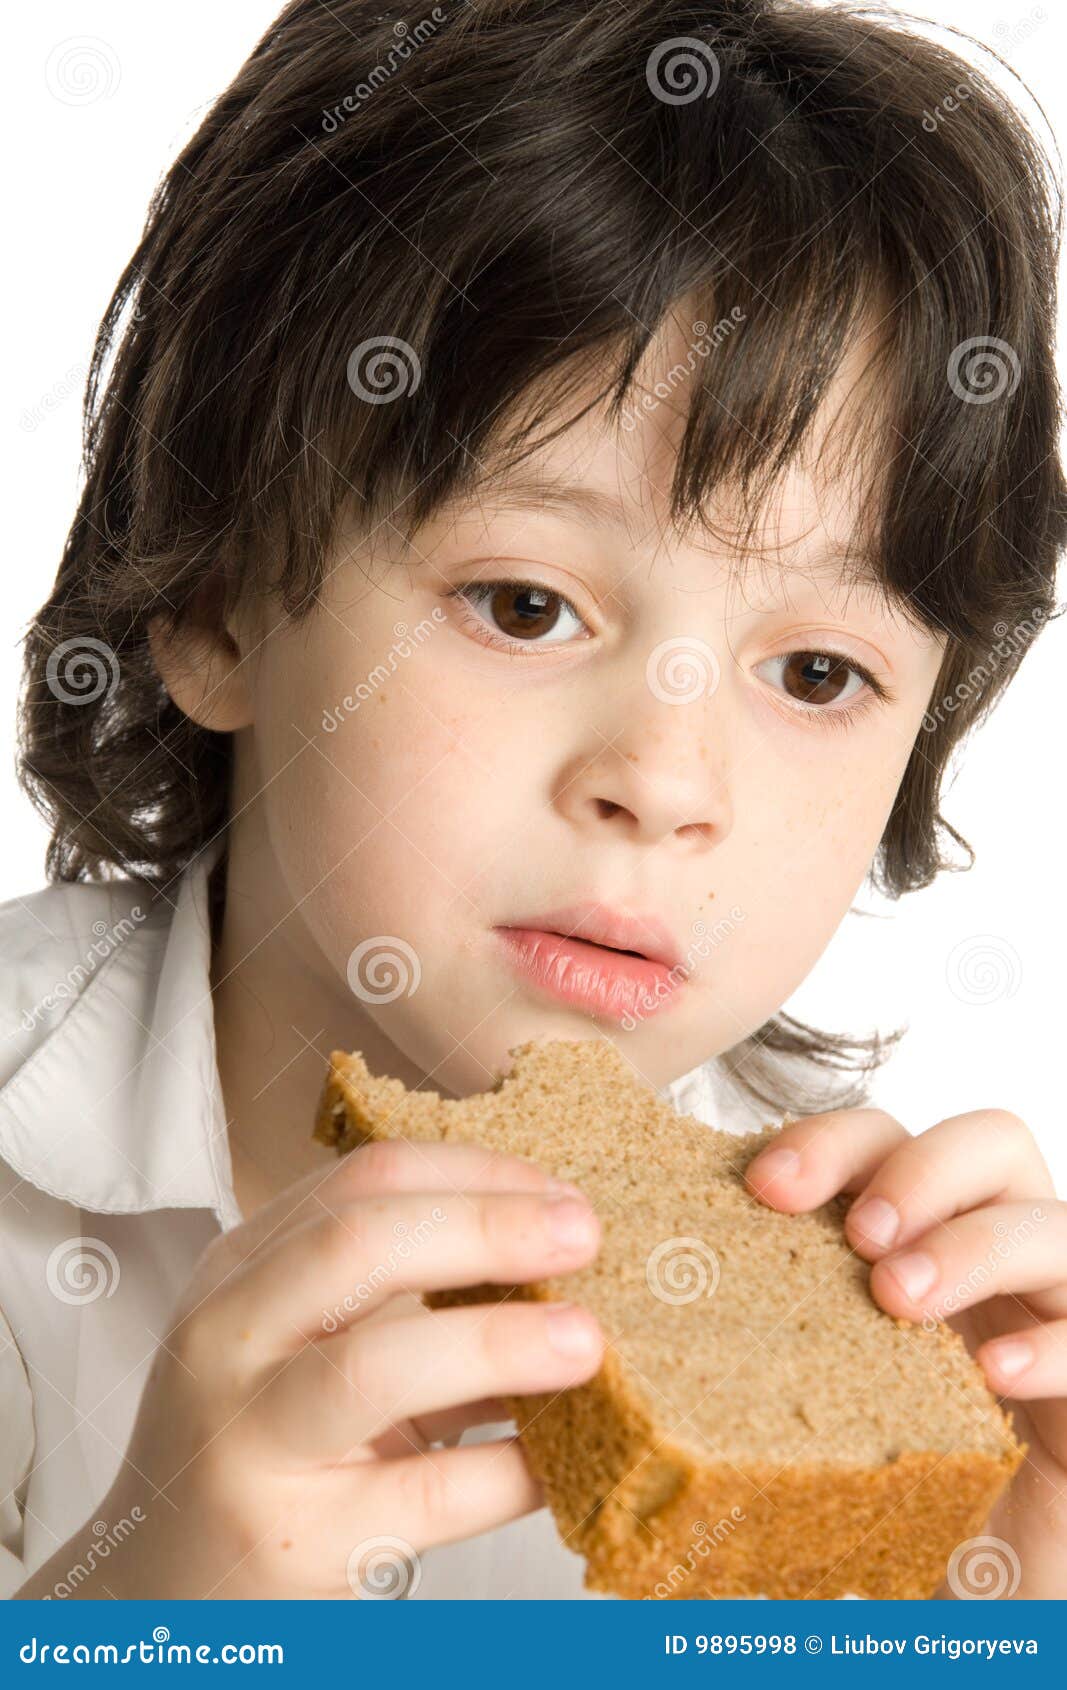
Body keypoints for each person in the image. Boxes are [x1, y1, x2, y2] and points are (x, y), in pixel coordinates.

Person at [4, 0, 1066, 1600]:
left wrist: (981, 1611)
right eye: (522, 605)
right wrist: (146, 1613)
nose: (663, 780)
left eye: (819, 675)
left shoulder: (897, 1331)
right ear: (222, 601)